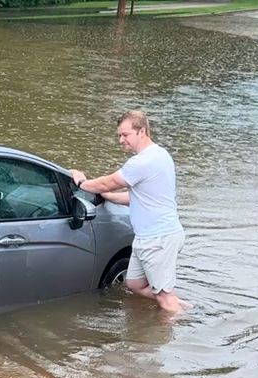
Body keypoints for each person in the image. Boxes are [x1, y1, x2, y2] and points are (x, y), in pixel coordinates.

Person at [70, 110, 188, 314]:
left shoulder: (143, 161)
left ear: (142, 131)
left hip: (159, 238)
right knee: (134, 284)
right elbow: (137, 197)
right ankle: (178, 305)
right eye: (119, 135)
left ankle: (180, 331)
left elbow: (110, 181)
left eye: (125, 135)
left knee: (164, 297)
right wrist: (109, 197)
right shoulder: (160, 155)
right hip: (147, 237)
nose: (121, 140)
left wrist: (82, 182)